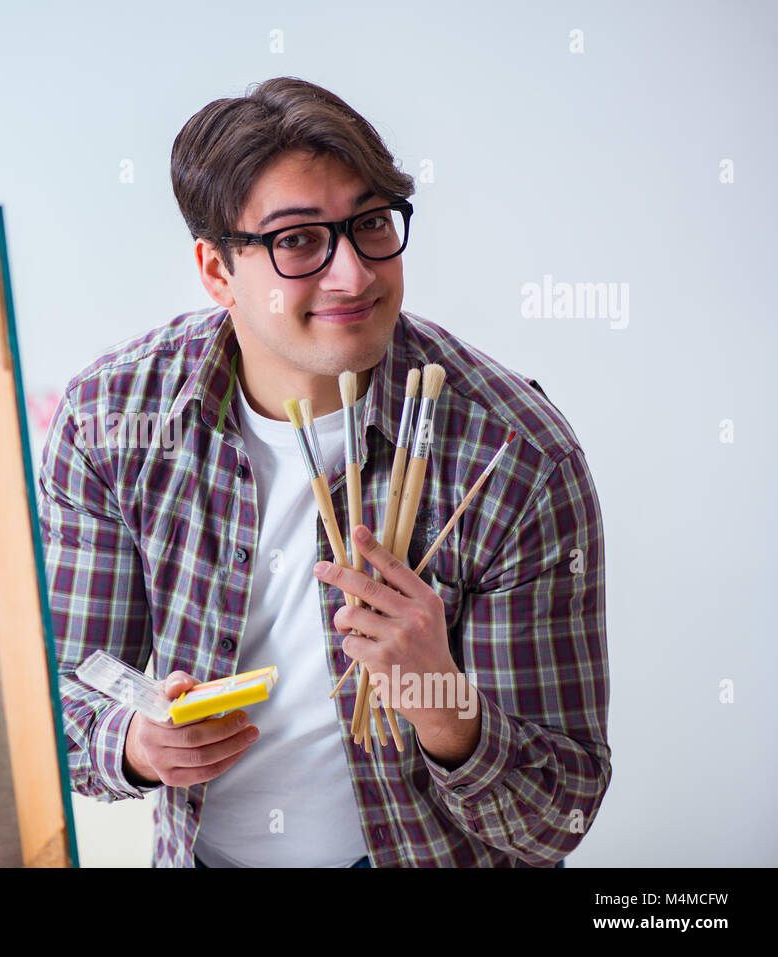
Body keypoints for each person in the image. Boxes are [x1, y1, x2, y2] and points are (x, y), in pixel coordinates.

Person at [38, 76, 610, 867]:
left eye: (370, 224)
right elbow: (53, 708)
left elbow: (559, 816)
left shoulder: (516, 453)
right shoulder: (112, 421)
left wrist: (443, 703)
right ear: (216, 271)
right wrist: (136, 743)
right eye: (298, 240)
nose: (354, 274)